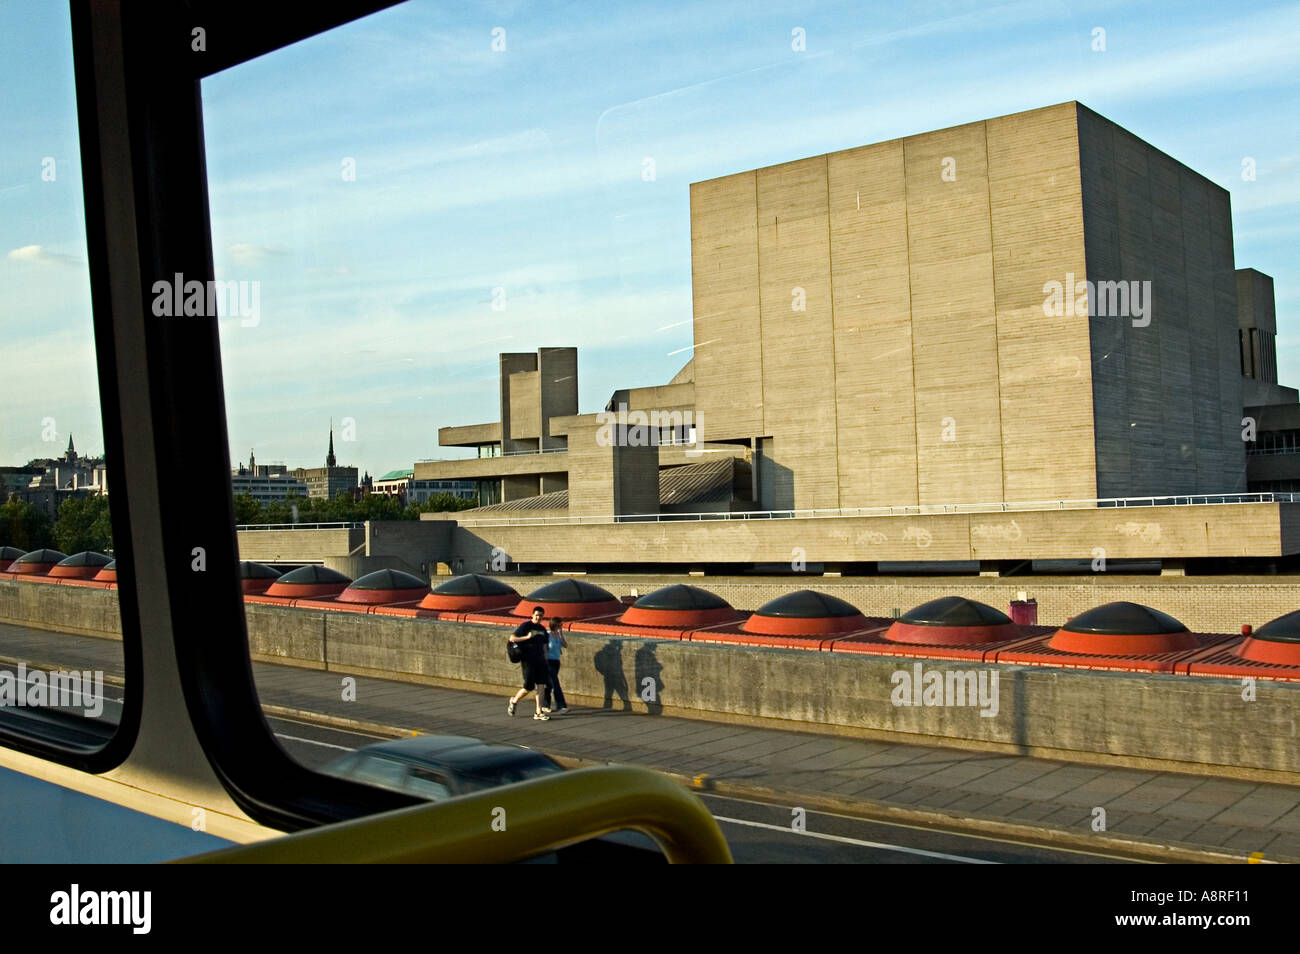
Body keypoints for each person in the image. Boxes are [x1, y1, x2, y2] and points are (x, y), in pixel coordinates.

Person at [508, 606, 552, 721]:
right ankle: (514, 700)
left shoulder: (543, 630)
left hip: (540, 661)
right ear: (532, 615)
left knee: (541, 685)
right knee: (528, 687)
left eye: (541, 615)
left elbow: (545, 648)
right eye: (537, 615)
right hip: (528, 661)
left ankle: (538, 711)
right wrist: (527, 637)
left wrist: (547, 661)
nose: (538, 617)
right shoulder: (526, 626)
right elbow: (512, 638)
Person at [541, 617, 568, 714]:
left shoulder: (558, 635)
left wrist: (561, 633)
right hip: (548, 662)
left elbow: (565, 645)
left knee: (549, 684)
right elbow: (544, 649)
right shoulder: (547, 635)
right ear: (554, 625)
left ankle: (545, 704)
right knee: (556, 684)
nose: (561, 627)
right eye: (559, 625)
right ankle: (561, 705)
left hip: (556, 662)